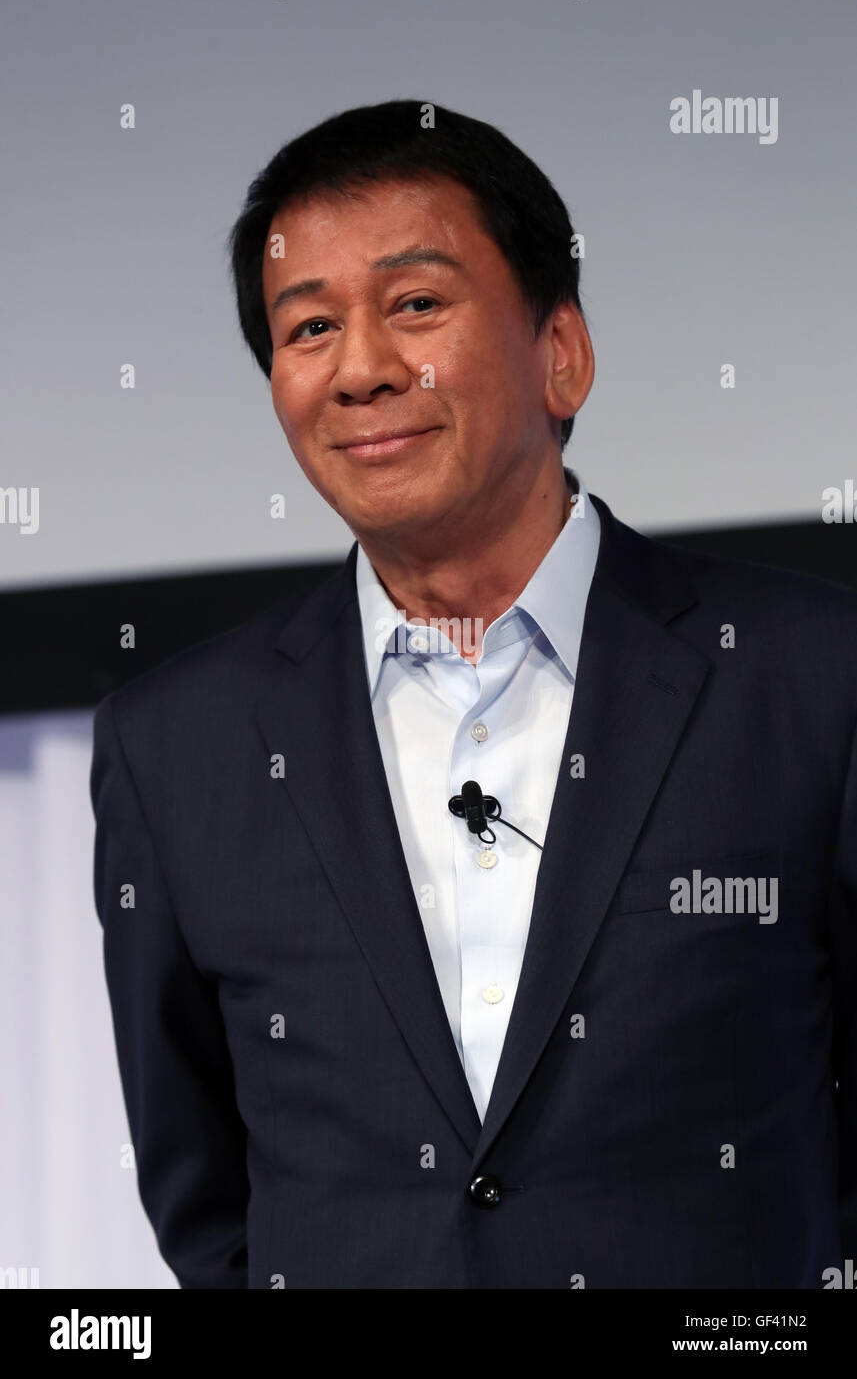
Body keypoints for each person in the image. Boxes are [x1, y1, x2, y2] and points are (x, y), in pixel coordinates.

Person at [90, 99, 857, 1289]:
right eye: (306, 329)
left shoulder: (809, 675)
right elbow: (205, 1194)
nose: (358, 370)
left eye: (414, 305)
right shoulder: (175, 745)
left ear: (562, 353)